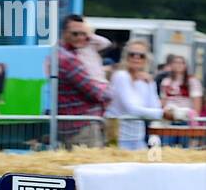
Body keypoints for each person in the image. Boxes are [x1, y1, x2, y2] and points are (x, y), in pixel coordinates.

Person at [107, 40, 175, 150]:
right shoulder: (121, 76)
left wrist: (151, 84)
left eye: (141, 55)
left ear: (146, 59)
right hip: (118, 138)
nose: (136, 58)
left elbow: (154, 106)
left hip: (138, 138)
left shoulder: (144, 80)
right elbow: (131, 109)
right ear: (126, 57)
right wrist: (162, 114)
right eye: (132, 54)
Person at [56, 14, 112, 148]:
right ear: (64, 33)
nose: (81, 38)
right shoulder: (68, 60)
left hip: (76, 125)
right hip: (82, 127)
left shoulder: (65, 54)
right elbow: (95, 93)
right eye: (75, 34)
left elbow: (105, 43)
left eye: (84, 34)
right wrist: (109, 92)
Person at [158, 54, 202, 118]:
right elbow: (163, 101)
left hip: (186, 117)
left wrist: (195, 118)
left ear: (185, 65)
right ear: (171, 65)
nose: (178, 65)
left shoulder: (193, 81)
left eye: (181, 63)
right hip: (169, 116)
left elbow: (197, 102)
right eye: (175, 62)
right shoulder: (166, 81)